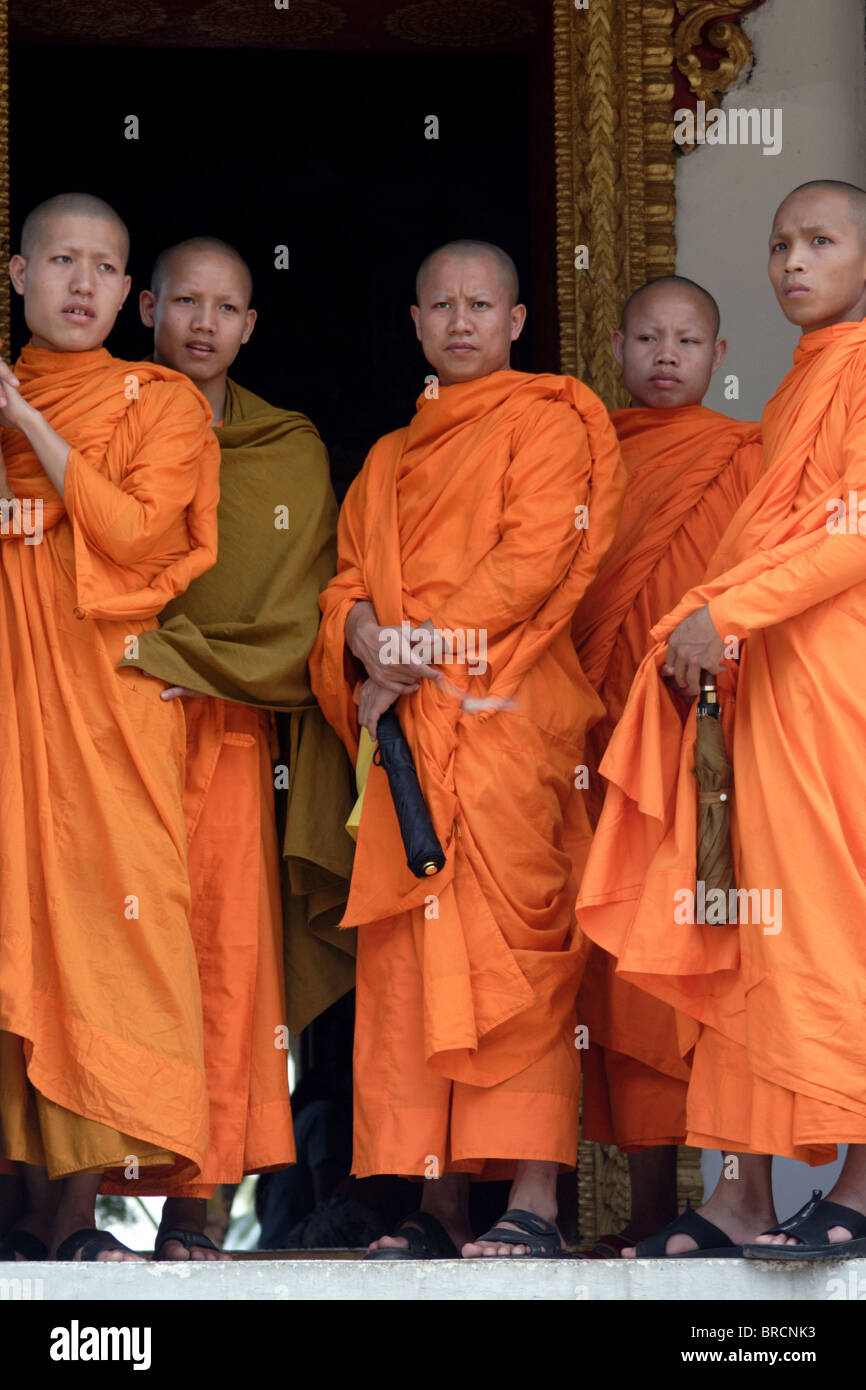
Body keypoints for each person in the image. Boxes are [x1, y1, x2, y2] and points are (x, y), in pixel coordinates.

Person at [310, 239, 625, 1257]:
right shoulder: (388, 460)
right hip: (410, 740)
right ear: (411, 323)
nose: (459, 322)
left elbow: (534, 557)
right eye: (439, 306)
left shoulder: (546, 421)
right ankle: (436, 1205)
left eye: (479, 304)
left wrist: (416, 643)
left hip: (502, 728)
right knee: (411, 968)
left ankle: (531, 1197)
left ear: (517, 321)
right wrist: (364, 637)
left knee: (523, 962)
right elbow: (345, 582)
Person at [578, 180, 866, 1259]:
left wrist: (718, 610)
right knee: (755, 937)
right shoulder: (796, 391)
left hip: (836, 689)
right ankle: (742, 1196)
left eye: (820, 241)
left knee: (834, 928)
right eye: (780, 241)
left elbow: (852, 532)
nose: (793, 260)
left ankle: (857, 1183)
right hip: (767, 692)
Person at [109, 237, 354, 1260]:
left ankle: (194, 1211)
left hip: (227, 735)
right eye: (185, 301)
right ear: (145, 308)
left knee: (223, 963)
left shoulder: (284, 449)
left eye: (227, 306)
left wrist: (174, 653)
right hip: (107, 731)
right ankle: (72, 1209)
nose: (204, 323)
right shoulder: (97, 425)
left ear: (252, 324)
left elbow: (298, 615)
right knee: (104, 956)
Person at [0, 193, 219, 1262]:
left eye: (104, 267)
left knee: (102, 928)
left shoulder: (163, 403)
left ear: (130, 294)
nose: (82, 284)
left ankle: (78, 1211)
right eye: (61, 261)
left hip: (104, 701)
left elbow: (135, 536)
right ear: (17, 274)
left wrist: (28, 429)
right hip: (7, 685)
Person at [572, 276, 763, 1255]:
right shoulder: (586, 455)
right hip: (600, 745)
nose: (663, 353)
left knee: (709, 961)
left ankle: (725, 1197)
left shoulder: (746, 456)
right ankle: (647, 1210)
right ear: (613, 346)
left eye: (686, 339)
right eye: (644, 335)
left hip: (703, 743)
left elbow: (755, 584)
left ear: (717, 356)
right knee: (620, 978)